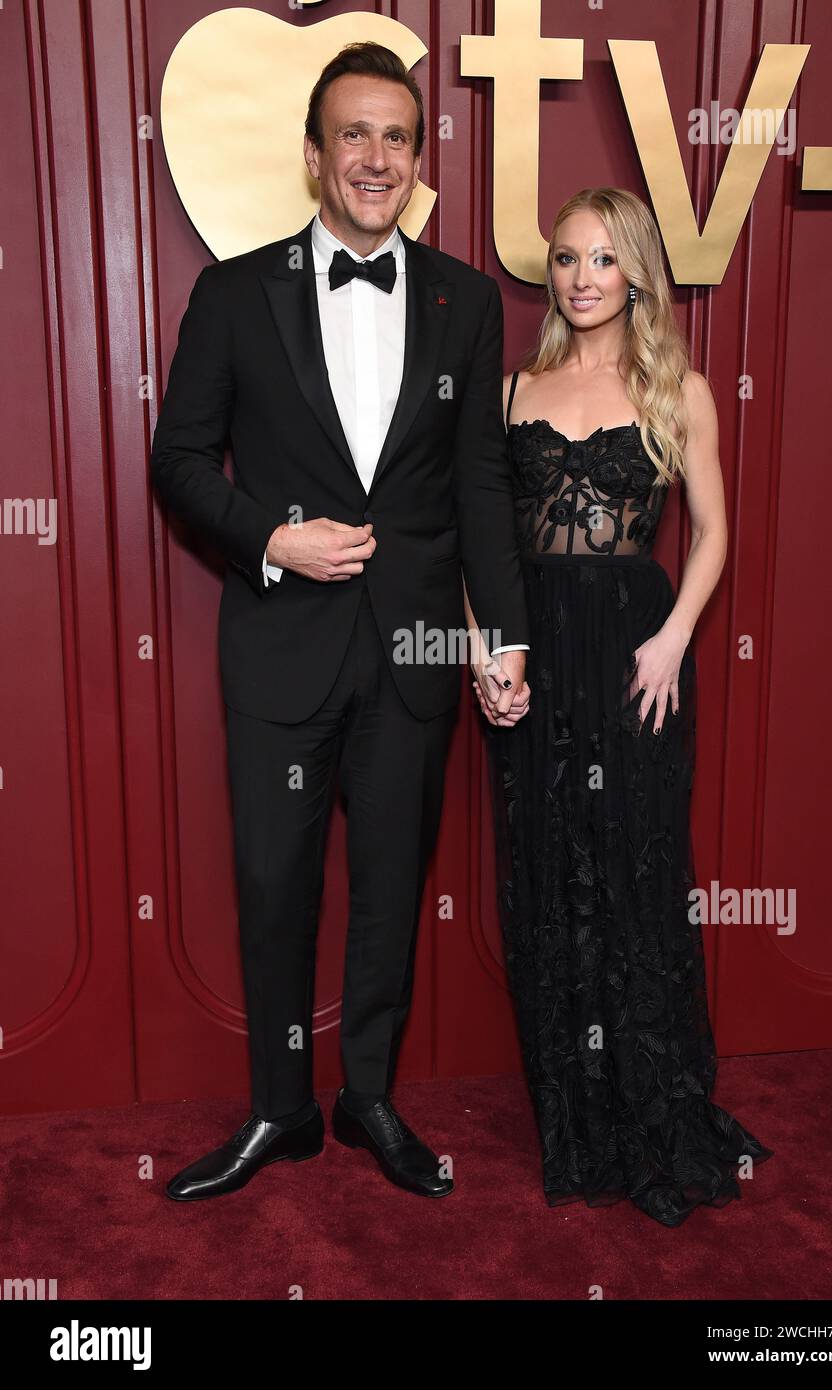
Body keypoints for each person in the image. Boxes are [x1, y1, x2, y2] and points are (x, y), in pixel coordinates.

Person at [151, 41, 529, 1201]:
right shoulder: (234, 293)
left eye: (396, 137)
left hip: (413, 652)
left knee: (390, 887)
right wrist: (273, 538)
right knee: (273, 885)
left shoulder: (467, 300)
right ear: (313, 156)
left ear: (417, 160)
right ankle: (280, 1107)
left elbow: (479, 485)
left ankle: (368, 1095)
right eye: (352, 134)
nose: (375, 157)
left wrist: (500, 634)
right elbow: (178, 460)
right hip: (280, 649)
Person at [466, 188, 772, 1227]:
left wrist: (676, 634)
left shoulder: (677, 388)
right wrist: (484, 648)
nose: (581, 278)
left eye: (602, 259)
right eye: (565, 258)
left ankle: (650, 1104)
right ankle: (576, 1120)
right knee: (546, 874)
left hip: (638, 653)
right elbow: (481, 542)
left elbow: (712, 530)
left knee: (637, 872)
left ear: (635, 270)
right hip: (535, 655)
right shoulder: (510, 390)